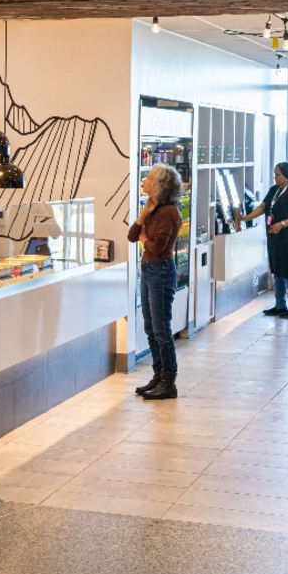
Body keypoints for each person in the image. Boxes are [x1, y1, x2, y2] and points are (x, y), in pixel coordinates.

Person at [127, 163, 184, 401]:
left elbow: (157, 247)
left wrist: (143, 237)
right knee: (150, 327)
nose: (144, 182)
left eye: (148, 179)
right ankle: (158, 375)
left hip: (160, 270)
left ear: (159, 184)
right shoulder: (153, 209)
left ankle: (168, 381)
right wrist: (142, 216)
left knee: (162, 329)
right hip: (149, 268)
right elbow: (132, 236)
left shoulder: (169, 212)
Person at [240, 162, 288, 319]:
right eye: (274, 175)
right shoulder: (274, 190)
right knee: (277, 270)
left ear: (287, 176)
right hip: (273, 236)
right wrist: (246, 218)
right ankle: (280, 304)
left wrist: (282, 224)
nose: (275, 178)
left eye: (278, 175)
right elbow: (263, 207)